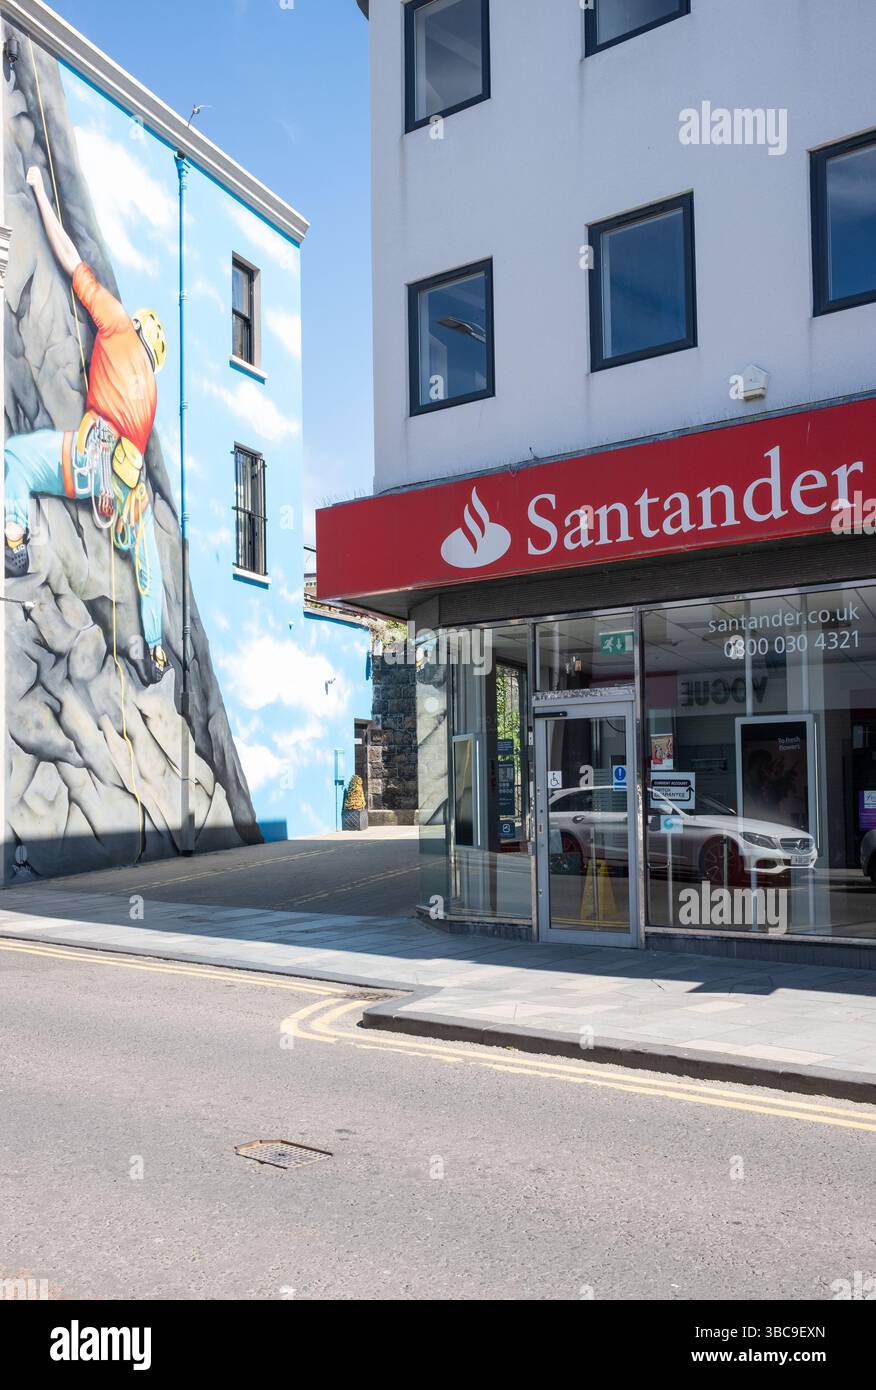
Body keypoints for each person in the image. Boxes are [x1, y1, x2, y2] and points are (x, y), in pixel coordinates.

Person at [4, 165, 169, 683]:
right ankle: (159, 651)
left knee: (15, 458)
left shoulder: (117, 323)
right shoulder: (153, 393)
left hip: (91, 458)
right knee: (150, 566)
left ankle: (13, 538)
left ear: (136, 324)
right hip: (128, 488)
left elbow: (71, 258)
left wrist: (36, 187)